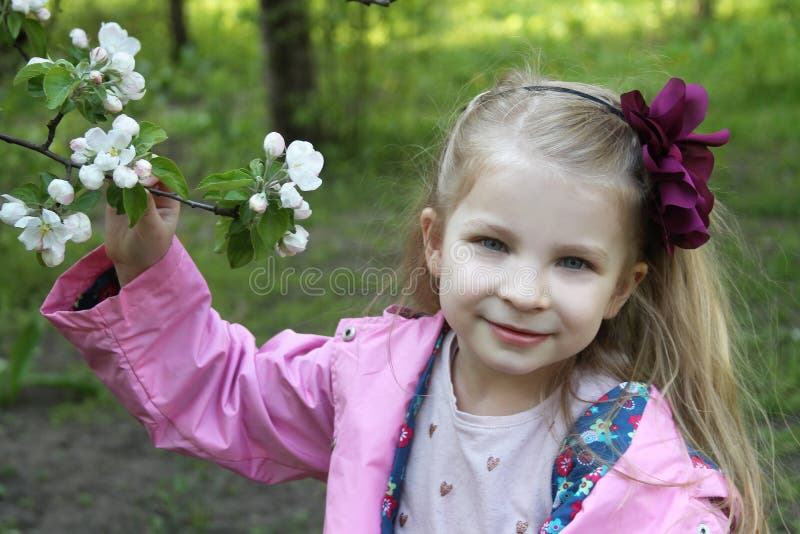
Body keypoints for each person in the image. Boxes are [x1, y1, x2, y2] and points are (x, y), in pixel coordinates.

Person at [41, 69, 765, 533]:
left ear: (621, 288)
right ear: (435, 242)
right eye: (492, 245)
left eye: (574, 262)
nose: (523, 292)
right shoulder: (372, 378)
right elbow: (226, 389)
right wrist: (147, 267)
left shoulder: (637, 468)